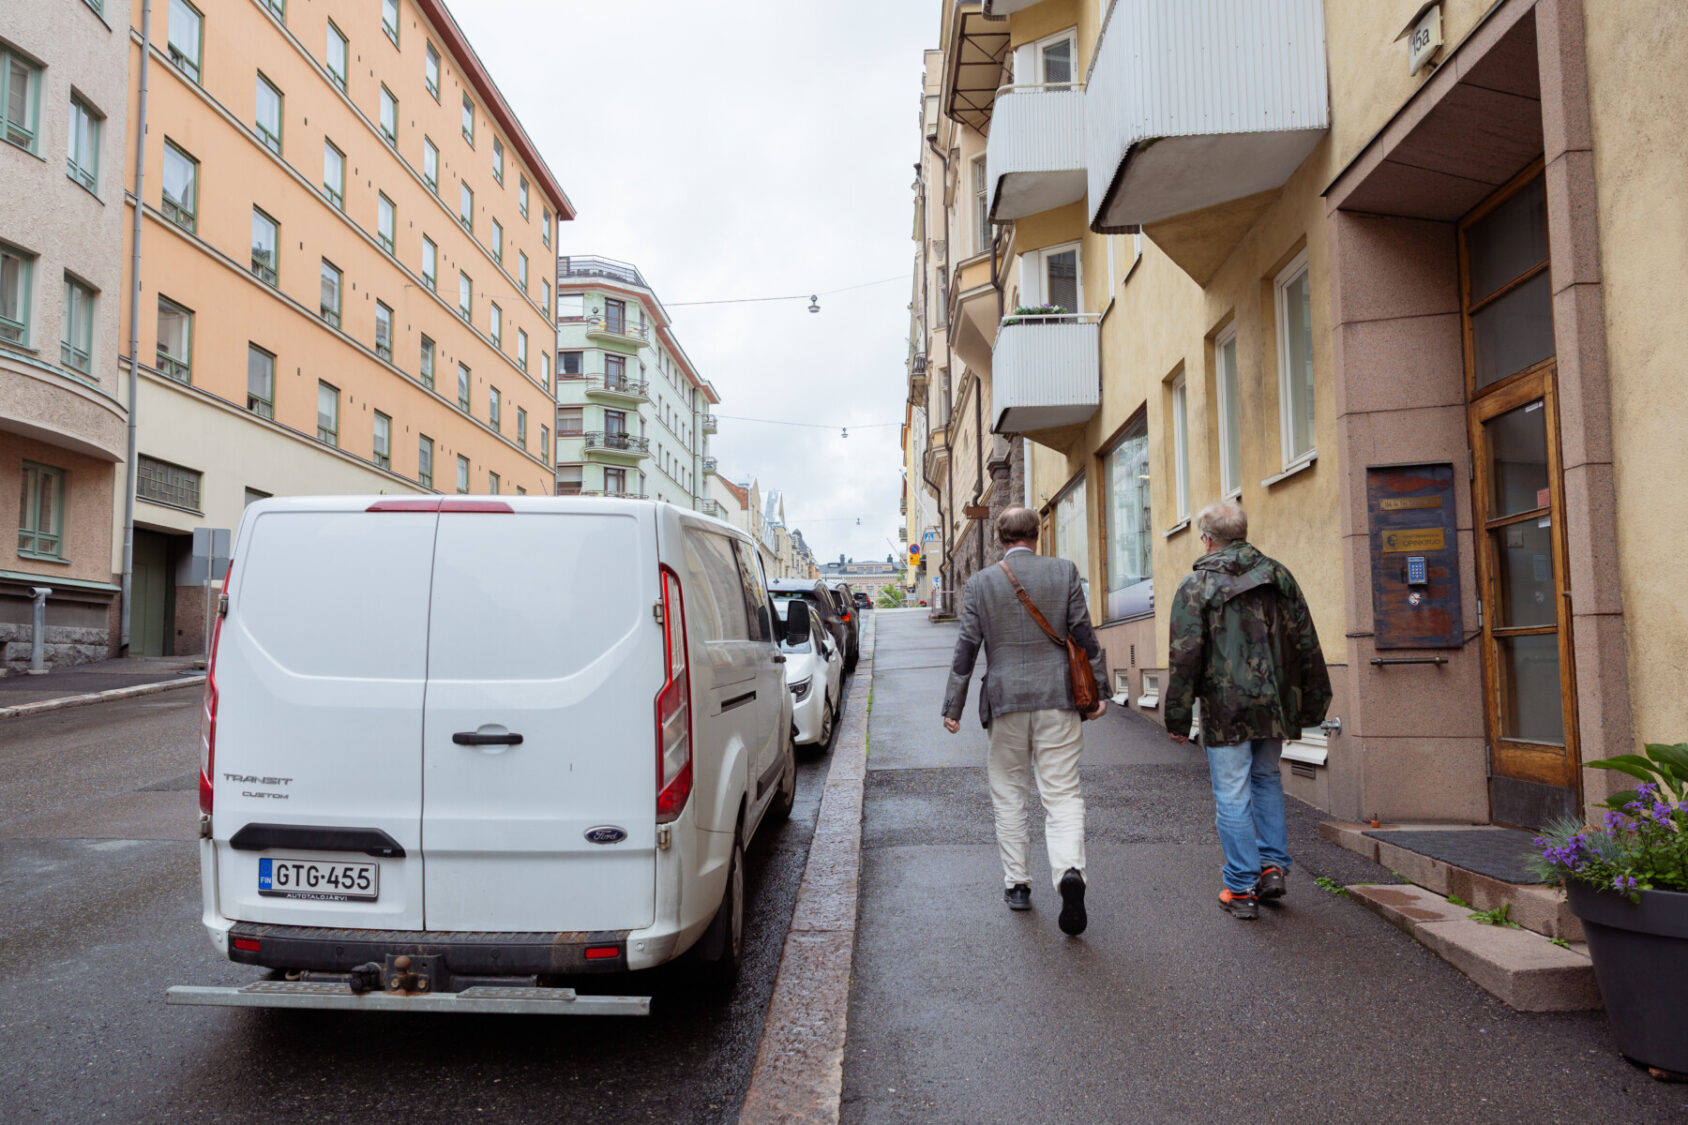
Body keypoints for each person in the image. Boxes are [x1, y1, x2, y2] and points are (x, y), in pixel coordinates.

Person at [942, 507, 1108, 935]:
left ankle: (1017, 885)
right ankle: (1069, 870)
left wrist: (953, 708)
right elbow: (1083, 633)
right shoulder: (1064, 572)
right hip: (1058, 698)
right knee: (1063, 793)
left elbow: (966, 648)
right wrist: (1099, 693)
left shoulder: (980, 583)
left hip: (1005, 703)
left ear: (1000, 539)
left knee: (1009, 792)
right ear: (1037, 535)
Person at [1165, 500, 1331, 920]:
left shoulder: (1196, 586)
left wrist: (1178, 717)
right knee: (1267, 779)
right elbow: (1306, 640)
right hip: (1273, 701)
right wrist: (1311, 701)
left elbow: (1185, 657)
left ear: (1207, 539)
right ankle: (1272, 866)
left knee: (1232, 792)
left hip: (1226, 706)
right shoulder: (1279, 576)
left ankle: (1241, 887)